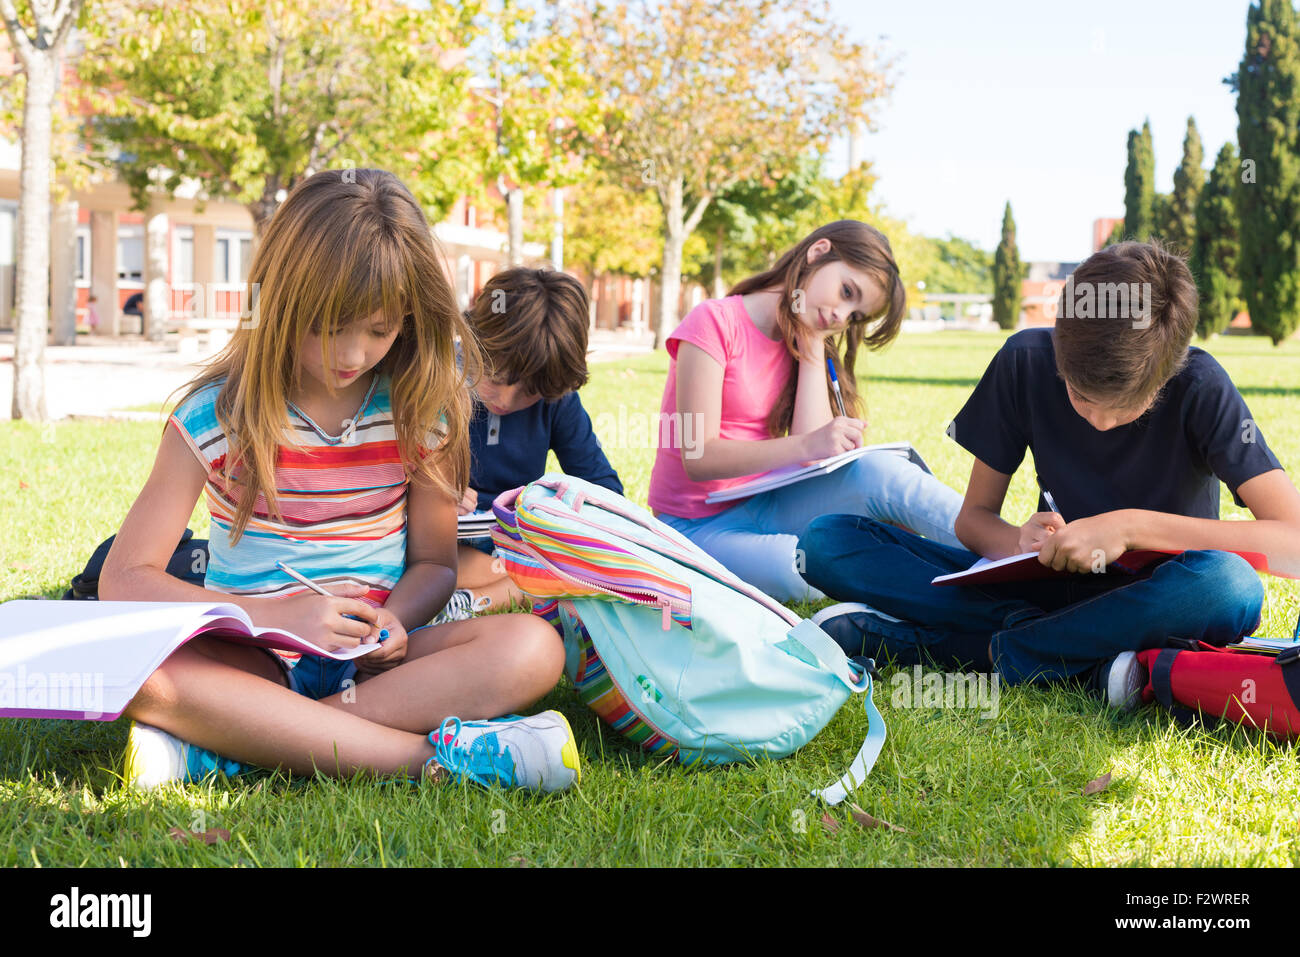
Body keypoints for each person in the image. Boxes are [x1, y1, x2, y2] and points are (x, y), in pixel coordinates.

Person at [100, 169, 580, 791]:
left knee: (535, 647)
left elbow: (434, 563)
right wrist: (276, 614)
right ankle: (424, 762)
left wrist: (397, 622)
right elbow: (125, 577)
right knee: (143, 674)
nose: (352, 355)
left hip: (380, 665)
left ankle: (245, 741)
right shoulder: (214, 416)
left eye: (380, 331)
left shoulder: (422, 411)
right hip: (257, 658)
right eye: (327, 328)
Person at [802, 241, 1300, 707]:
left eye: (1123, 407)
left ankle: (974, 651)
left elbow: (1293, 542)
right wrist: (1020, 542)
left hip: (1158, 596)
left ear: (1166, 378)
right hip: (1050, 584)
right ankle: (1079, 660)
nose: (1096, 419)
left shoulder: (1202, 385)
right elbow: (973, 521)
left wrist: (1128, 528)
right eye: (1077, 393)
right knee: (828, 540)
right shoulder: (1024, 360)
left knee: (1230, 587)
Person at [645, 220, 964, 602]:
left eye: (855, 315)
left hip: (766, 502)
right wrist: (810, 444)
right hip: (694, 527)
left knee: (883, 471)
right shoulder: (713, 321)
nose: (841, 317)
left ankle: (1002, 549)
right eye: (847, 292)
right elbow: (698, 456)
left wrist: (813, 347)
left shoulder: (806, 339)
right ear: (818, 252)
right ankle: (952, 585)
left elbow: (808, 464)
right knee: (801, 569)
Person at [444, 267, 623, 619]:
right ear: (471, 338)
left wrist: (555, 504)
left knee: (580, 568)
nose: (507, 401)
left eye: (531, 391)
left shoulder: (557, 399)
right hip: (437, 548)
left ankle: (469, 603)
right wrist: (429, 496)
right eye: (495, 377)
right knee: (550, 579)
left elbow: (606, 493)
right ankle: (509, 593)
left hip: (513, 550)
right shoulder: (433, 378)